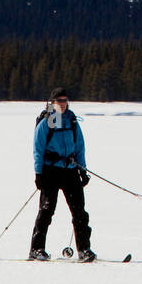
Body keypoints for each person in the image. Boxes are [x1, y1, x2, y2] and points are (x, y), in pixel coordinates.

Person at [29, 87, 95, 262]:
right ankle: (36, 249)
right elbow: (38, 149)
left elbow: (79, 146)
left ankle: (84, 250)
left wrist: (83, 170)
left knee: (79, 212)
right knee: (46, 210)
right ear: (52, 102)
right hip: (50, 171)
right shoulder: (47, 122)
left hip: (70, 171)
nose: (63, 104)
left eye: (65, 100)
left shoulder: (72, 121)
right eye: (59, 101)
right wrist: (38, 173)